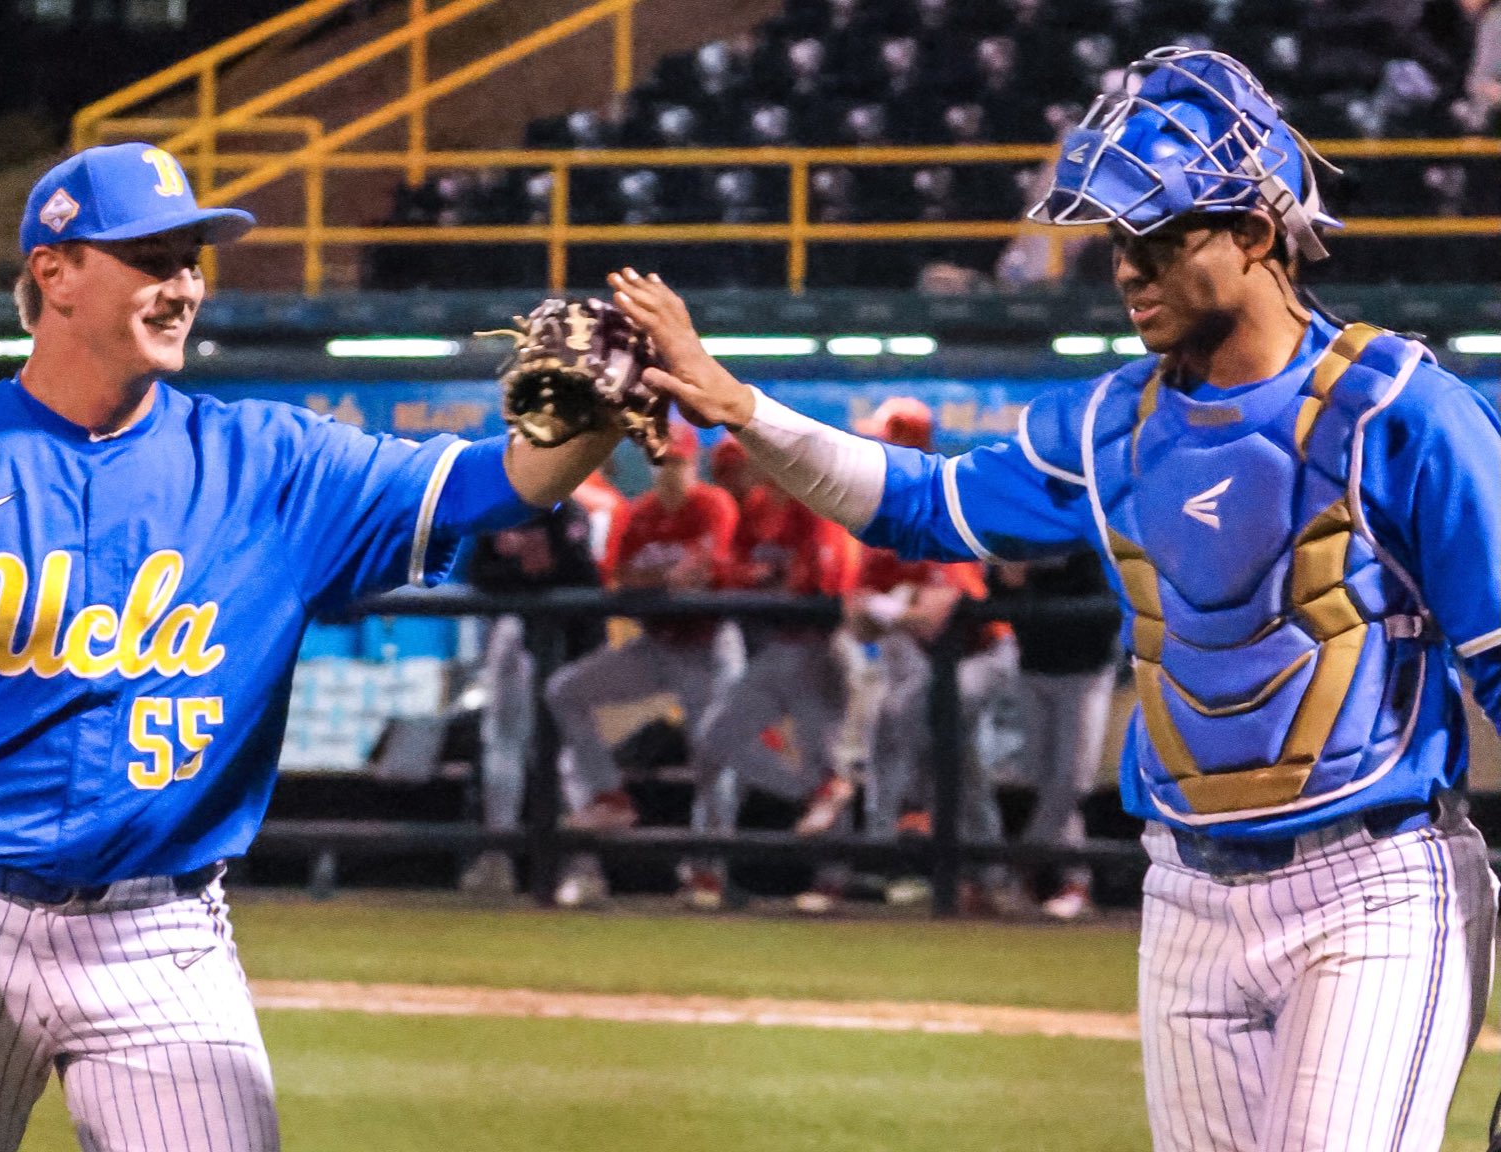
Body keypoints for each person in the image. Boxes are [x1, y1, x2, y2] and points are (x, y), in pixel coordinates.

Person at [616, 46, 1501, 1152]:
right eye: (1115, 240)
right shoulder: (1109, 422)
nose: (1125, 268)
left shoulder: (1404, 412)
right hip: (1185, 894)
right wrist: (741, 407)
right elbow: (921, 505)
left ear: (1253, 232)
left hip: (1375, 884)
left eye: (1156, 237)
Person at [0, 140, 615, 1151]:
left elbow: (498, 484)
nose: (182, 285)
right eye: (151, 259)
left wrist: (601, 415)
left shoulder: (269, 464)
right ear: (55, 273)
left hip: (162, 936)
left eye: (190, 260)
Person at [542, 423, 743, 909]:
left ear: (692, 463)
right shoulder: (642, 512)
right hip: (657, 643)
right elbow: (621, 578)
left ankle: (708, 873)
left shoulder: (713, 504)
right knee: (566, 690)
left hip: (708, 646)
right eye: (660, 461)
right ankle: (608, 795)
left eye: (675, 462)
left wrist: (658, 578)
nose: (667, 471)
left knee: (712, 757)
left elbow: (703, 572)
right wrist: (664, 578)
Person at [841, 399, 1018, 914]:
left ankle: (922, 853)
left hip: (980, 656)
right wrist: (895, 606)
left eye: (887, 441)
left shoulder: (943, 505)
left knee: (915, 724)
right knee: (943, 750)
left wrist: (889, 607)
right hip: (926, 663)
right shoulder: (879, 519)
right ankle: (967, 872)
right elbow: (855, 619)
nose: (877, 450)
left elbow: (938, 616)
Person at [691, 462, 862, 914]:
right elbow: (730, 572)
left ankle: (832, 882)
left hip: (822, 649)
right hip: (777, 649)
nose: (747, 474)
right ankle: (811, 793)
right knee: (715, 740)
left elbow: (823, 587)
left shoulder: (818, 507)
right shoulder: (757, 508)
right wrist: (762, 581)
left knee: (826, 760)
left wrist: (765, 582)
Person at [460, 498, 603, 896]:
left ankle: (583, 867)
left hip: (570, 642)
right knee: (501, 744)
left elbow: (580, 575)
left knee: (569, 756)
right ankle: (497, 857)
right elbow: (479, 574)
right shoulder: (498, 511)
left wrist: (529, 572)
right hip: (516, 633)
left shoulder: (568, 513)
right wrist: (528, 573)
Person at [987, 552, 1121, 921]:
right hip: (1034, 665)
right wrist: (1009, 581)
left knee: (1072, 781)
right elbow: (997, 597)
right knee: (1045, 784)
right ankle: (1074, 884)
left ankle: (1018, 870)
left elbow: (1110, 601)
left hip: (1086, 671)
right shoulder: (1017, 533)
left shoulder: (1087, 531)